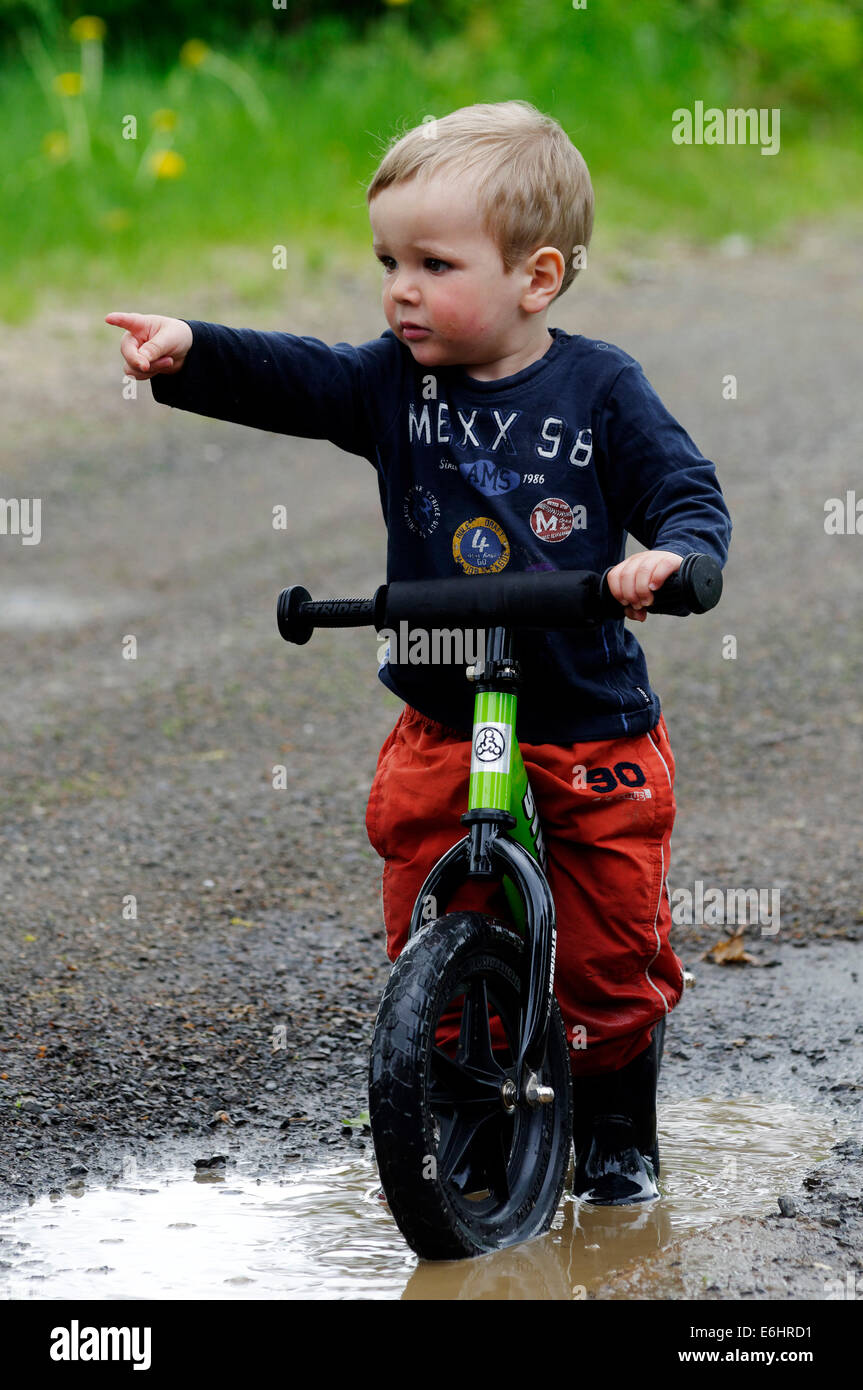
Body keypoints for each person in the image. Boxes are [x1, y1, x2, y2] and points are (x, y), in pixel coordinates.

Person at [106, 99, 731, 1205]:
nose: (399, 287)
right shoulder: (394, 385)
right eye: (386, 259)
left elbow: (682, 494)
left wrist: (673, 561)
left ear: (534, 279)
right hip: (445, 712)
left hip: (584, 715)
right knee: (434, 920)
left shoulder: (599, 390)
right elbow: (295, 377)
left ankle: (617, 1125)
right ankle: (464, 1103)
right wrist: (191, 352)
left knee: (602, 951)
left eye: (433, 263)